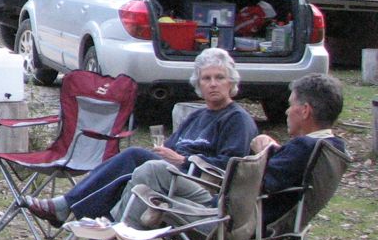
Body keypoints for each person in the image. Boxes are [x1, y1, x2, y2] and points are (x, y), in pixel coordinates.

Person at [23, 47, 258, 228]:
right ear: (198, 84)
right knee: (127, 183)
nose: (213, 84)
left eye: (220, 77)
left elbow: (234, 169)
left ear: (232, 82)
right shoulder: (197, 117)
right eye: (206, 79)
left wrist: (183, 162)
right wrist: (167, 155)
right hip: (169, 176)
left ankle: (67, 206)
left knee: (135, 156)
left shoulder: (237, 119)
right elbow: (171, 149)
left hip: (201, 188)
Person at [114, 73, 347, 231]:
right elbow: (282, 176)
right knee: (152, 170)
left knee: (145, 185)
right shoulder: (330, 147)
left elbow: (254, 183)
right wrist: (274, 151)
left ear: (305, 111)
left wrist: (261, 153)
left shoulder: (304, 147)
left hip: (230, 222)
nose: (287, 111)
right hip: (237, 213)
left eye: (290, 104)